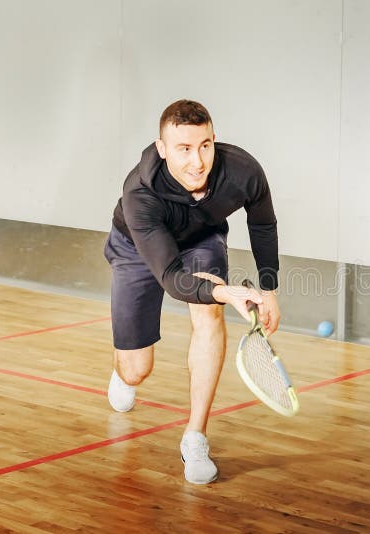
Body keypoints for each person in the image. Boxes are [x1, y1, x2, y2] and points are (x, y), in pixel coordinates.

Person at [103, 99, 280, 484]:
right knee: (136, 370)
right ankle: (124, 372)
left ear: (215, 140)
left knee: (209, 314)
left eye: (204, 146)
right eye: (183, 149)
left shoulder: (242, 170)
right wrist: (227, 293)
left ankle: (195, 436)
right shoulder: (140, 192)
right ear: (163, 148)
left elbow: (263, 223)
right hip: (138, 249)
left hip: (201, 239)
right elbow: (171, 277)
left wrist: (268, 288)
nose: (197, 161)